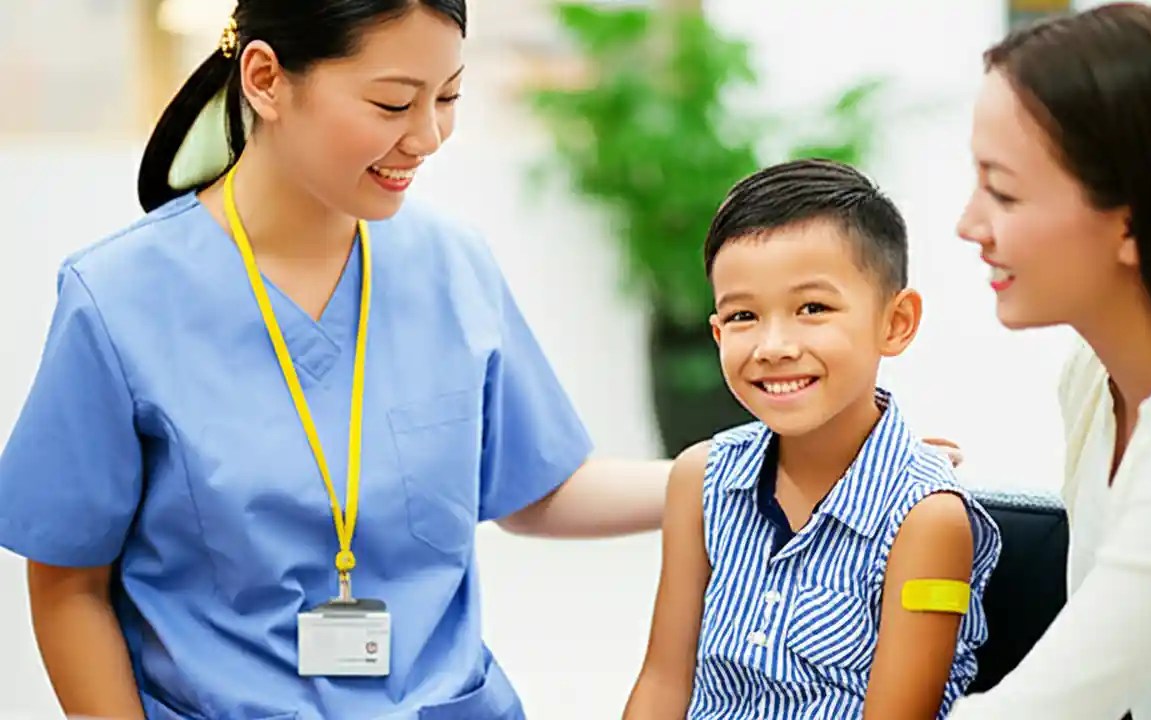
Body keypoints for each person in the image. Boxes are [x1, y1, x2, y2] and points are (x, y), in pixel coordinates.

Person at [0, 2, 675, 718]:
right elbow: (70, 585)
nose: (429, 136)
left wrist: (740, 467)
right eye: (393, 103)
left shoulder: (452, 265)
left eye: (448, 97)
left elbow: (539, 488)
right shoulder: (118, 299)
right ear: (264, 78)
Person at [947, 4, 1151, 719]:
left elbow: (1048, 708)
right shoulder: (1094, 379)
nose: (968, 224)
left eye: (1001, 190)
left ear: (1130, 220)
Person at [623, 159, 1002, 719]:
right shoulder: (699, 479)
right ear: (717, 332)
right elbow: (662, 685)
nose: (774, 345)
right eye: (744, 315)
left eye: (812, 309)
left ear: (896, 323)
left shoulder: (927, 519)